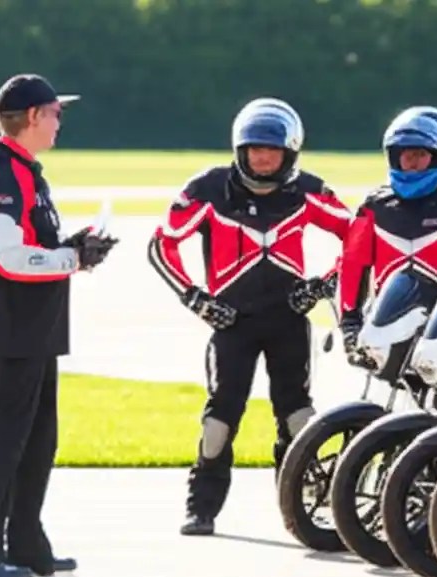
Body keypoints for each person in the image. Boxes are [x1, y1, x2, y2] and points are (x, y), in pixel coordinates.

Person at [147, 98, 352, 536]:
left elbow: (357, 239)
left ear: (289, 152)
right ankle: (201, 507)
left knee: (298, 418)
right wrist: (195, 298)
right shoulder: (208, 189)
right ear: (239, 148)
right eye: (254, 148)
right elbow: (162, 244)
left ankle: (301, 511)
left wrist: (322, 284)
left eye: (271, 150)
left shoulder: (308, 190)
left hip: (289, 322)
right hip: (231, 325)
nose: (262, 158)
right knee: (218, 422)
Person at [0, 73, 118, 577]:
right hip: (13, 331)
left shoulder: (25, 171)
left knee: (36, 440)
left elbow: (32, 245)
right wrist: (72, 258)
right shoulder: (1, 173)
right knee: (0, 441)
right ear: (32, 117)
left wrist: (75, 246)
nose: (59, 121)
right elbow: (8, 257)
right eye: (54, 113)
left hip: (35, 330)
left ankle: (25, 544)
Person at [337, 106, 437, 350]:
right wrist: (350, 321)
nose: (412, 164)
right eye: (406, 155)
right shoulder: (374, 206)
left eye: (421, 155)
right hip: (385, 324)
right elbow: (353, 265)